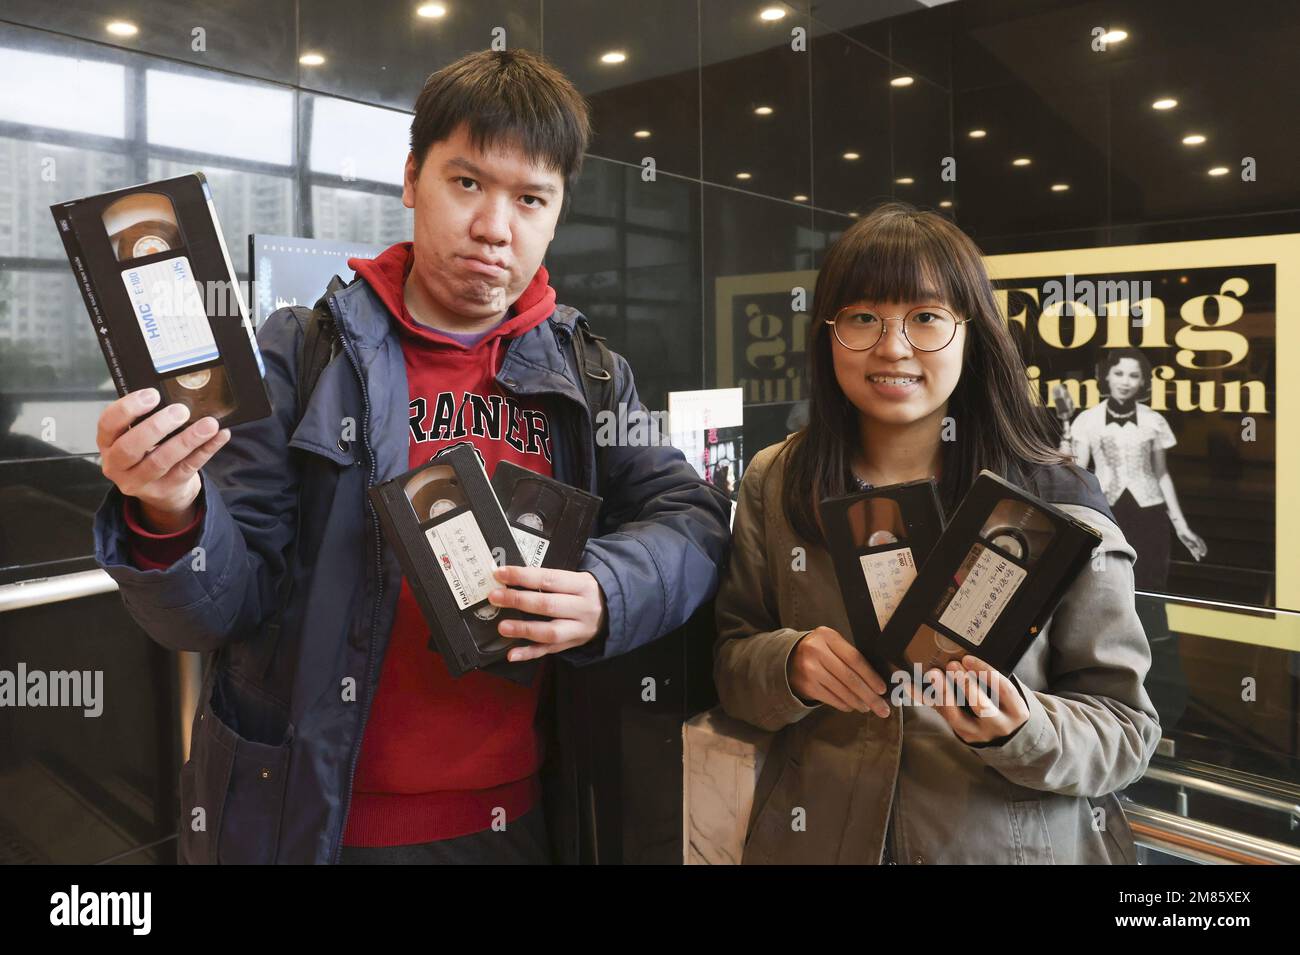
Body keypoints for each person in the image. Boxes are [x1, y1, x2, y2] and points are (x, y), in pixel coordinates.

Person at [91, 48, 731, 865]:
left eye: (530, 198)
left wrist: (607, 588)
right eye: (466, 183)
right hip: (308, 826)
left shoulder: (592, 376)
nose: (496, 227)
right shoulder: (301, 351)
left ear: (558, 212)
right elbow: (215, 607)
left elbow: (694, 519)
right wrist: (169, 510)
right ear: (410, 179)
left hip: (517, 826)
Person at [713, 202, 1161, 864]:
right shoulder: (778, 480)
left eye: (926, 318)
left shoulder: (1052, 501)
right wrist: (788, 663)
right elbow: (730, 659)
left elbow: (1127, 730)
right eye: (863, 317)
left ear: (970, 333)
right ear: (828, 333)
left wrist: (1024, 727)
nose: (892, 347)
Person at [1064, 347, 1205, 730]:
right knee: (1110, 593)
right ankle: (1116, 688)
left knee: (1152, 598)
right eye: (1119, 374)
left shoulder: (1154, 421)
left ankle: (1161, 696)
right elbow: (1075, 469)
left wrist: (1181, 526)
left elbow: (1161, 476)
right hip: (1109, 513)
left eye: (1134, 376)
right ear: (1106, 377)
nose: (1126, 381)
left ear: (1143, 382)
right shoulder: (1088, 420)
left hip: (1149, 514)